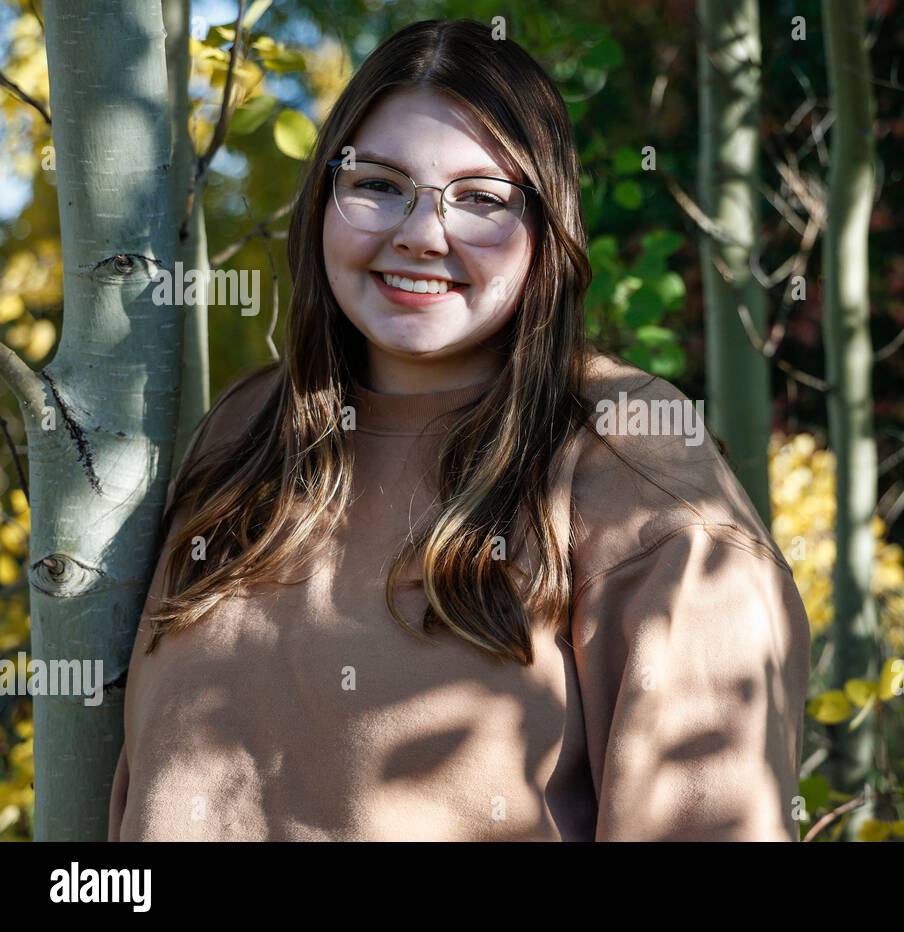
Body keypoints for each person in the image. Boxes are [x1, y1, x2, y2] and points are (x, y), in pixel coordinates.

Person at [107, 17, 810, 842]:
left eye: (480, 199)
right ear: (325, 194)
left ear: (547, 231)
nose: (420, 232)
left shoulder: (632, 459)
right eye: (378, 184)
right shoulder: (243, 435)